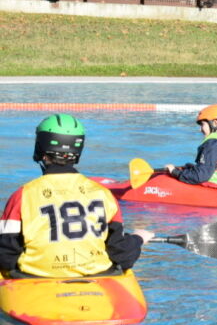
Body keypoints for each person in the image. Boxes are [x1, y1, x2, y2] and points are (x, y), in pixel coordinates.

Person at [0, 114, 153, 278]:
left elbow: (6, 256)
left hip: (36, 278)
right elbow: (121, 255)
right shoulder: (104, 194)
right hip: (99, 276)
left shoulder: (23, 195)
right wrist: (138, 239)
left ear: (40, 149)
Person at [166, 104, 217, 187]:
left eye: (202, 124)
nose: (200, 130)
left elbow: (200, 176)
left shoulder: (213, 142)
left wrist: (175, 172)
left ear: (215, 123)